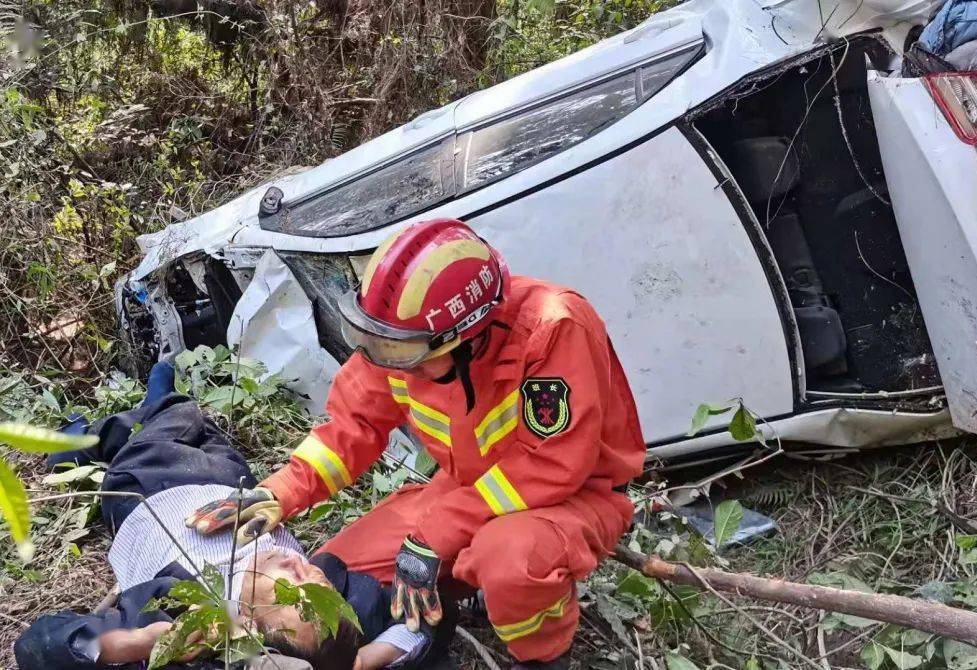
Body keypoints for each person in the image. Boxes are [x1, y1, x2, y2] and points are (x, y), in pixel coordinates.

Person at [188, 218, 647, 668]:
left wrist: (435, 536)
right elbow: (353, 424)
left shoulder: (552, 328)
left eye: (402, 352)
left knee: (509, 560)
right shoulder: (398, 337)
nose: (388, 363)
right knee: (336, 577)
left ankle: (542, 655)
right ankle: (452, 595)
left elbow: (552, 465)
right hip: (465, 491)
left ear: (467, 336)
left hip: (571, 498)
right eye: (375, 341)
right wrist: (282, 490)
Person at [15, 362, 437, 670]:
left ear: (246, 623)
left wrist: (133, 643)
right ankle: (149, 411)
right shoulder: (341, 619)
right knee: (207, 433)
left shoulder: (180, 613)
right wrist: (364, 660)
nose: (301, 566)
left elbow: (38, 645)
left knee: (172, 420)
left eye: (287, 591)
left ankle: (105, 432)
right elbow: (419, 624)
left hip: (154, 493)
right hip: (236, 495)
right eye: (318, 582)